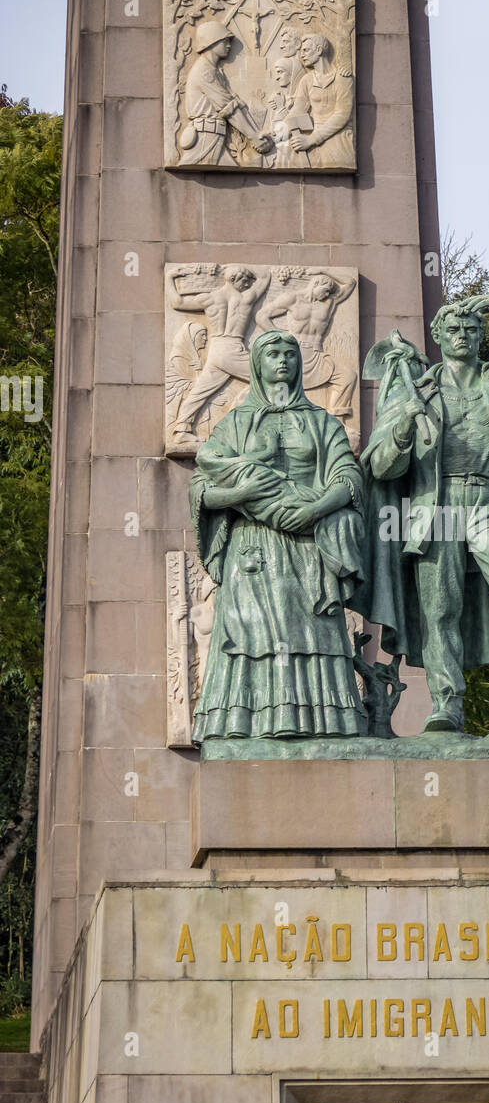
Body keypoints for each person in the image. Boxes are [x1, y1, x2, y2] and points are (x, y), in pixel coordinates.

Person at [358, 295, 489, 732]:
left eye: (471, 329)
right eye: (453, 330)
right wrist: (403, 425)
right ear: (437, 337)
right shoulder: (415, 391)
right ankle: (447, 703)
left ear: (481, 336)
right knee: (440, 610)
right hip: (436, 508)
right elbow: (381, 465)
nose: (462, 336)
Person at [190, 331, 367, 747]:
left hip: (310, 544)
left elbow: (349, 478)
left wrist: (316, 509)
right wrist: (240, 495)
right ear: (257, 364)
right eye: (273, 353)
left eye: (290, 353)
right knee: (253, 634)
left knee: (313, 634)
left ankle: (323, 725)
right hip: (253, 546)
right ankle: (245, 726)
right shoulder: (234, 424)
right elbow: (202, 488)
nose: (283, 360)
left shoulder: (323, 423)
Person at [167, 265, 270, 448]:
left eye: (248, 281)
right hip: (232, 348)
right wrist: (249, 270)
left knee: (200, 392)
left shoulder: (209, 298)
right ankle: (237, 423)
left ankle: (182, 430)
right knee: (269, 379)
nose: (247, 284)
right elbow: (265, 276)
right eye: (244, 280)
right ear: (233, 279)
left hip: (216, 349)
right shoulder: (246, 299)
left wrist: (170, 278)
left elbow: (178, 303)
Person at [258, 267, 358, 418]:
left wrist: (324, 269)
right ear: (316, 285)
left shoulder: (329, 302)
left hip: (317, 354)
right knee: (277, 386)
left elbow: (350, 282)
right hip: (294, 354)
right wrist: (280, 338)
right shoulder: (292, 298)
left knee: (347, 376)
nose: (327, 294)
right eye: (325, 290)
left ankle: (337, 420)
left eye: (330, 292)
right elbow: (261, 316)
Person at [178, 21, 272, 167]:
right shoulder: (204, 71)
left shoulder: (216, 71)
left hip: (214, 137)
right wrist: (253, 137)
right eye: (225, 41)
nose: (229, 45)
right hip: (205, 138)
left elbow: (236, 103)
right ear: (212, 42)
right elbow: (228, 109)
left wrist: (257, 133)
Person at [288, 35, 355, 170]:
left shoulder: (342, 78)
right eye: (301, 51)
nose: (302, 55)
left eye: (306, 50)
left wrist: (310, 140)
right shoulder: (307, 80)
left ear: (319, 50)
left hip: (338, 142)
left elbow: (342, 115)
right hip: (314, 147)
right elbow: (297, 111)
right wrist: (277, 133)